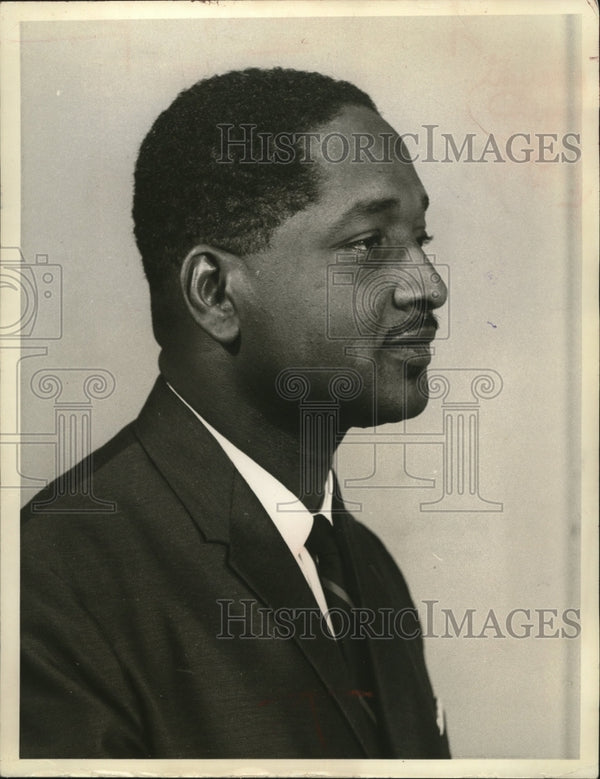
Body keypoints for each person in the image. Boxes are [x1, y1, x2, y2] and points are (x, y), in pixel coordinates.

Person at [21, 67, 450, 759]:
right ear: (215, 293)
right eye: (370, 245)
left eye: (421, 240)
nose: (428, 286)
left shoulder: (366, 571)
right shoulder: (50, 584)